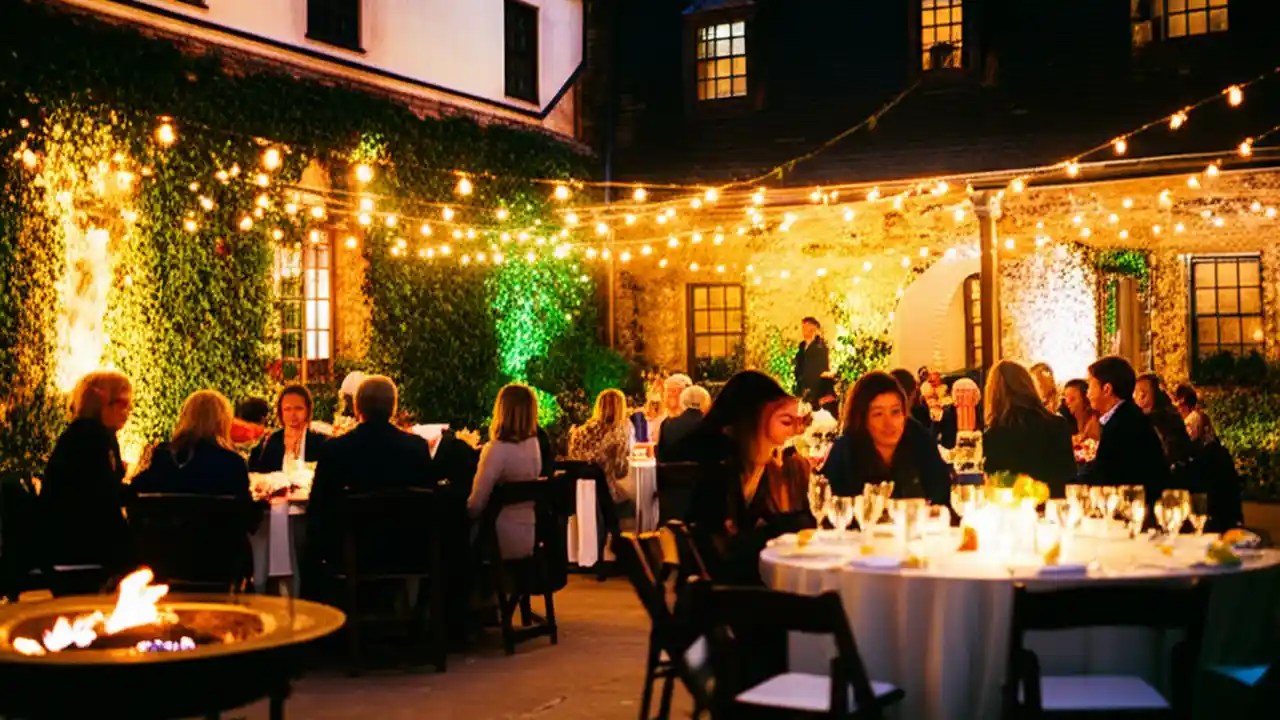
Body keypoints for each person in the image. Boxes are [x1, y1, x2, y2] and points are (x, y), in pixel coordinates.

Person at [675, 371, 806, 584]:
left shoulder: (748, 455)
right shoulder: (716, 454)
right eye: (783, 419)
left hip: (712, 573)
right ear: (755, 416)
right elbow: (719, 537)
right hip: (719, 581)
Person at [305, 376, 435, 569]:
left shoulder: (336, 449)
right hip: (406, 550)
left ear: (357, 408)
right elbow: (428, 500)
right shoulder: (416, 448)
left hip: (350, 552)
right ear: (393, 408)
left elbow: (318, 506)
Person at [40, 371, 135, 575]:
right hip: (80, 543)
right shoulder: (90, 439)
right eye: (123, 403)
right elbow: (102, 498)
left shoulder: (86, 435)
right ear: (102, 402)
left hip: (69, 540)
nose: (127, 411)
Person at [821, 371, 950, 506]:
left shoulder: (920, 440)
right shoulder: (845, 451)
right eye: (878, 414)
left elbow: (941, 499)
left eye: (895, 412)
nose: (889, 423)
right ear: (862, 419)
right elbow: (828, 508)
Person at [132, 389, 258, 525]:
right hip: (219, 543)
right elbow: (249, 519)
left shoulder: (162, 457)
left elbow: (135, 495)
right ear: (223, 422)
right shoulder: (232, 464)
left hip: (167, 543)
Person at [468, 384, 545, 559]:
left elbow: (476, 505)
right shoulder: (534, 446)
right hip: (528, 532)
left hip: (497, 537)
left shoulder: (496, 450)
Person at [1080, 357, 1170, 506]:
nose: (1087, 393)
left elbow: (1105, 474)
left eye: (1090, 386)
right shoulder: (1125, 415)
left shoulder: (1124, 423)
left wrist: (1066, 484)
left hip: (1140, 510)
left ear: (1107, 389)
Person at [981, 361, 1077, 497]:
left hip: (1014, 509)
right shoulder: (1057, 424)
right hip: (1054, 506)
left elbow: (994, 484)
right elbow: (1069, 476)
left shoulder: (995, 434)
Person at [568, 389, 633, 502]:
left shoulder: (582, 431)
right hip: (606, 492)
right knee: (633, 502)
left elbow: (573, 459)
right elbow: (621, 471)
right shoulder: (619, 432)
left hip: (579, 490)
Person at [249, 385, 328, 473]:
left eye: (298, 408)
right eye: (287, 409)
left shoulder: (319, 442)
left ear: (307, 410)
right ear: (281, 412)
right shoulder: (272, 440)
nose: (293, 414)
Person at [1135, 373, 1195, 471]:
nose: (1139, 397)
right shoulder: (1145, 417)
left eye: (1142, 392)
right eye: (1136, 392)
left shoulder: (1163, 418)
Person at [655, 385, 711, 462]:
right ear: (706, 403)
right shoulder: (712, 425)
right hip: (705, 474)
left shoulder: (667, 425)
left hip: (672, 473)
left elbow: (660, 457)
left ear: (682, 403)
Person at [793, 317, 830, 403]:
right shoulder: (802, 347)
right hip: (801, 389)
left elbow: (821, 369)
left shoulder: (819, 347)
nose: (803, 330)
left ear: (813, 328)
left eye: (806, 327)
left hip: (815, 391)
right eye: (803, 327)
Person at [1063, 378, 1101, 443]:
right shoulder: (1075, 420)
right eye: (1066, 397)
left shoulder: (1094, 423)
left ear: (1085, 399)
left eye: (1072, 399)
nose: (1067, 402)